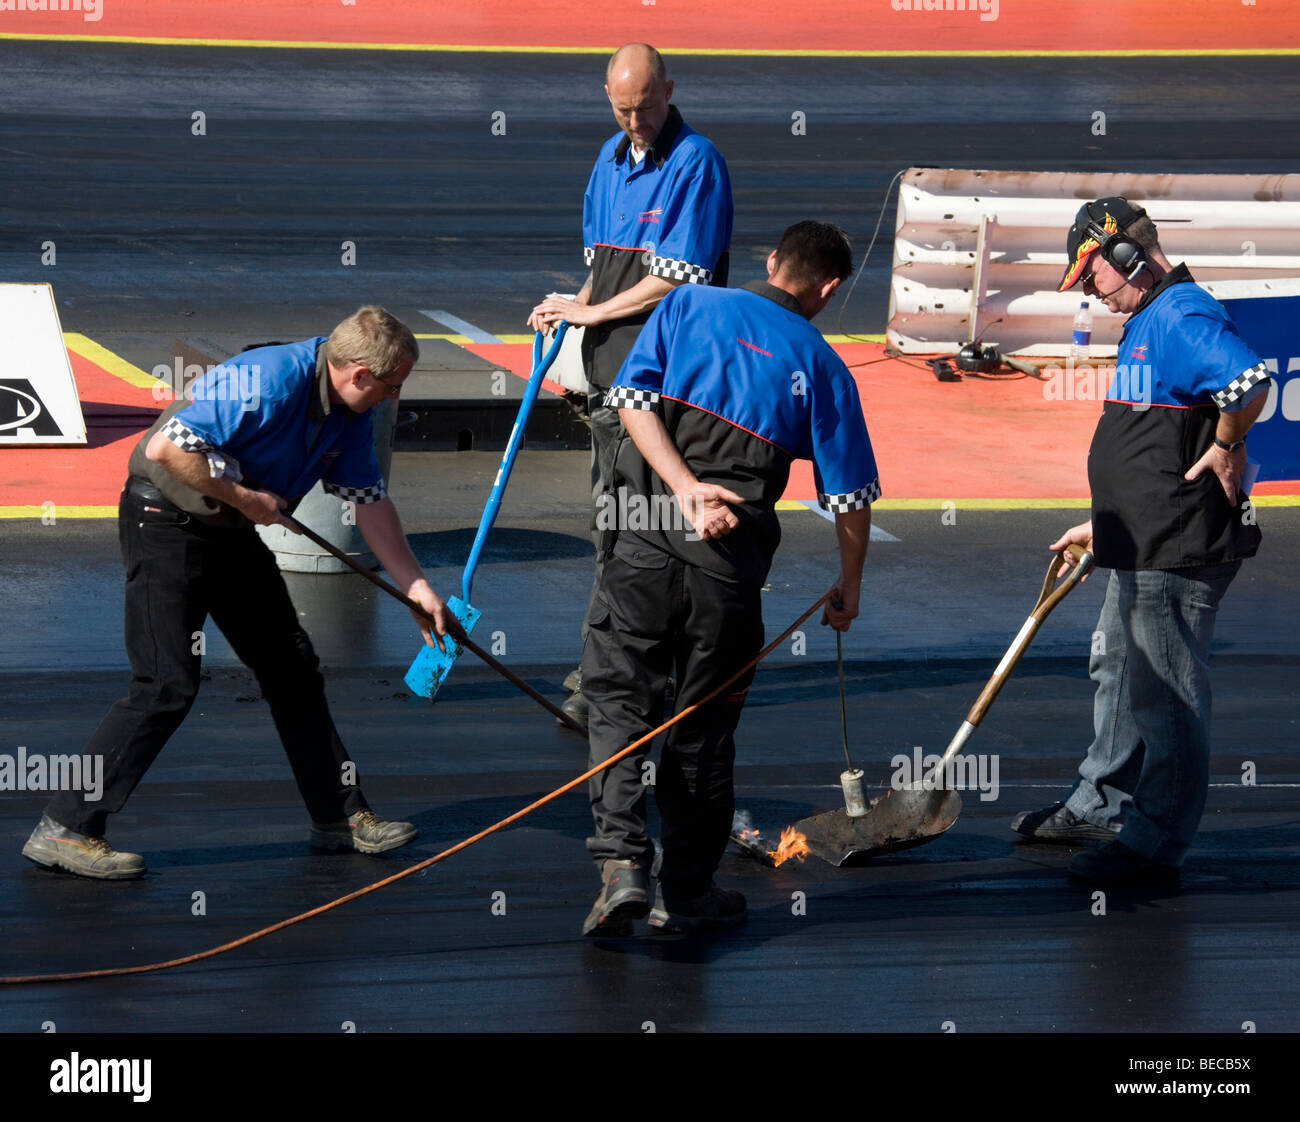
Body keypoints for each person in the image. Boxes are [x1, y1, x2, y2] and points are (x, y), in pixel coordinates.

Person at [22, 306, 458, 880]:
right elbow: (167, 450)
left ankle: (338, 817)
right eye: (393, 387)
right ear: (358, 375)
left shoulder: (349, 415)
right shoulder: (267, 379)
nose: (394, 398)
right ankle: (66, 827)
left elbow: (370, 501)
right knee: (166, 683)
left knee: (292, 669)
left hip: (227, 527)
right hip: (164, 518)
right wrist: (252, 501)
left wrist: (417, 588)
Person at [579, 221, 879, 936]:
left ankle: (621, 865)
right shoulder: (823, 364)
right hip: (728, 574)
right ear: (829, 287)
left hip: (641, 548)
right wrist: (849, 586)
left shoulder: (688, 306)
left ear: (773, 261)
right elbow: (849, 499)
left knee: (621, 706)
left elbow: (632, 402)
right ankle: (684, 892)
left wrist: (681, 486)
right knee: (704, 732)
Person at [1011, 198, 1271, 886]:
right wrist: (1105, 524)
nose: (1092, 294)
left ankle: (1155, 844)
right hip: (1139, 536)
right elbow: (1152, 446)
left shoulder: (1181, 315)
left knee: (1166, 697)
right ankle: (1102, 804)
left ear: (1126, 257)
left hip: (1176, 547)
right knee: (1121, 673)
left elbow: (1249, 384)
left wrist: (1226, 445)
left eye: (1093, 275)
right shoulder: (1151, 320)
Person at [527, 42, 733, 732]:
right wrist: (569, 312)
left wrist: (593, 313)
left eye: (646, 106)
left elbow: (680, 276)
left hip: (662, 385)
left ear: (669, 90)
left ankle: (611, 678)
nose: (636, 120)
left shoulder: (694, 162)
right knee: (614, 525)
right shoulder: (610, 162)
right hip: (611, 380)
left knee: (635, 530)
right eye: (623, 109)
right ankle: (611, 664)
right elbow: (605, 276)